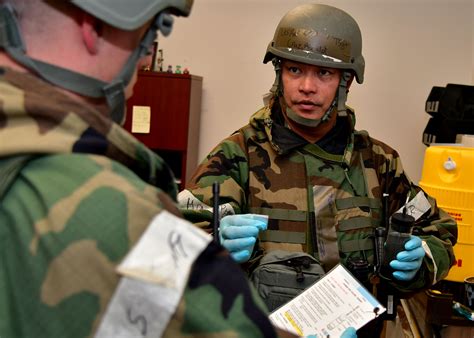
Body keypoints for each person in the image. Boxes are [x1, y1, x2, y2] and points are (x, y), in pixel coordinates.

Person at [0, 1, 339, 337]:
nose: (147, 58)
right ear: (93, 28)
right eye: (148, 36)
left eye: (323, 73)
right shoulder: (112, 210)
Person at [178, 3, 458, 337]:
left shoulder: (379, 162)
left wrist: (422, 259)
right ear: (279, 74)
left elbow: (437, 229)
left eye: (323, 73)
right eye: (295, 70)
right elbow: (174, 249)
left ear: (347, 81)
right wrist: (214, 243)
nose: (307, 87)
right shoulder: (237, 156)